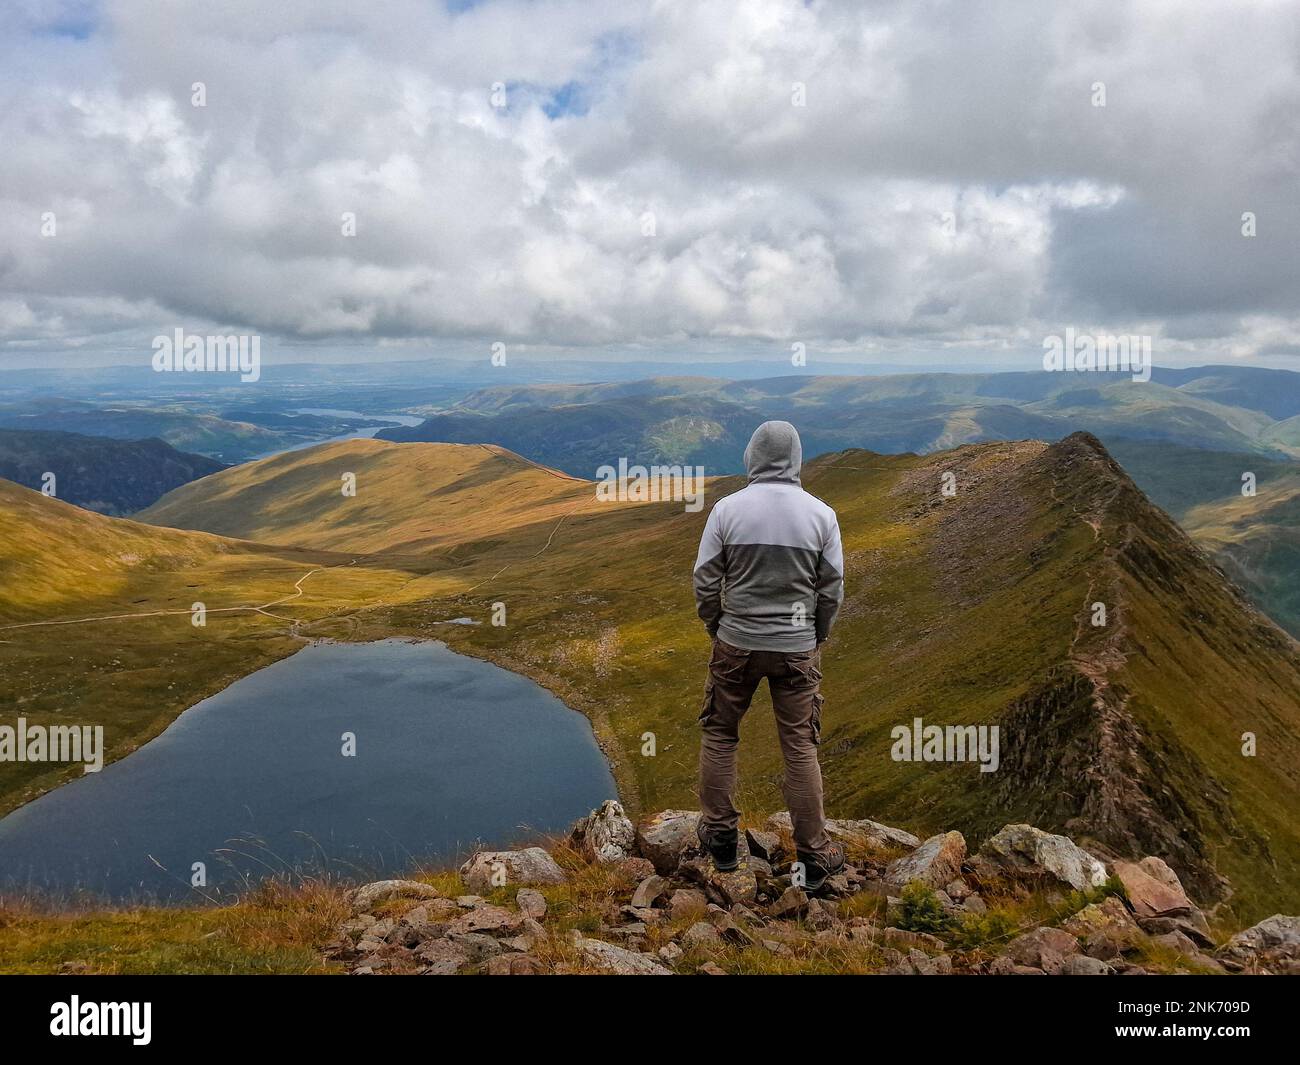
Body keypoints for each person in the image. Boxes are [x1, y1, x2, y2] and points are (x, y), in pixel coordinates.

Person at [692, 420, 846, 890]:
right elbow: (832, 589)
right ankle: (814, 855)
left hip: (735, 645)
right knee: (799, 746)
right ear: (796, 458)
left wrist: (717, 624)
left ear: (752, 456)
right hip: (797, 650)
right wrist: (815, 635)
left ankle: (720, 841)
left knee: (721, 735)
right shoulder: (821, 515)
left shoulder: (726, 510)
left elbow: (704, 579)